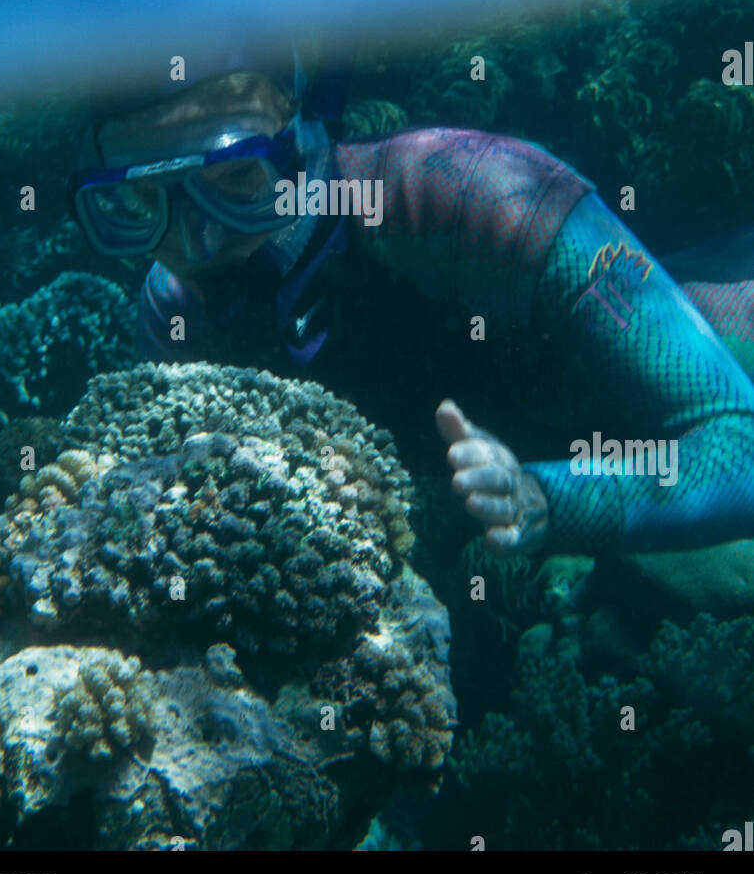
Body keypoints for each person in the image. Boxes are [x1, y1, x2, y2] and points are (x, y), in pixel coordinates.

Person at [68, 50, 754, 558]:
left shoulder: (477, 195)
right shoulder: (173, 313)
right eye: (136, 205)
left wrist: (550, 503)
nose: (199, 237)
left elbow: (740, 445)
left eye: (239, 179)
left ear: (308, 138)